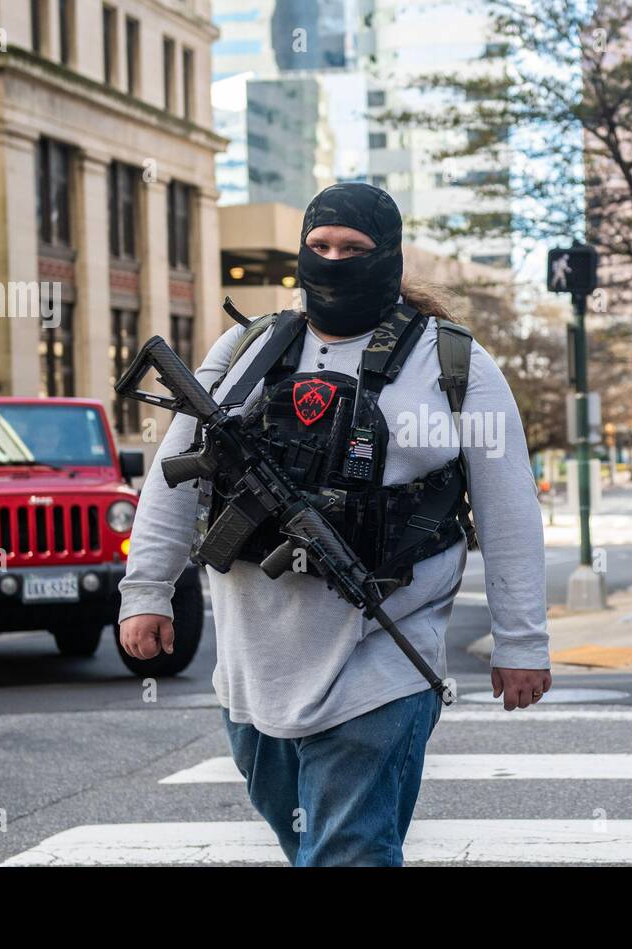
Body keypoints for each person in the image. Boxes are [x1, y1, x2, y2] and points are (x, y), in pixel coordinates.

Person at [117, 182, 551, 866]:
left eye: (353, 248)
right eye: (319, 247)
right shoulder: (242, 350)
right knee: (308, 846)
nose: (333, 260)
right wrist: (146, 592)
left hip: (383, 653)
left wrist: (521, 641)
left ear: (390, 257)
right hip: (253, 666)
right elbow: (173, 480)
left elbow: (509, 511)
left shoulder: (452, 361)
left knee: (348, 854)